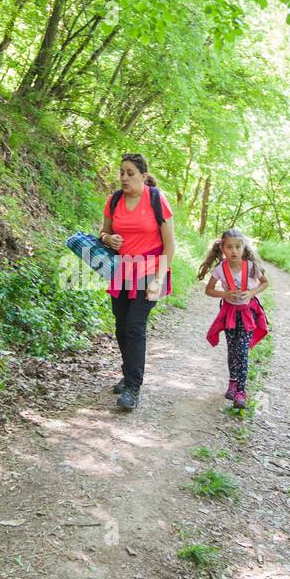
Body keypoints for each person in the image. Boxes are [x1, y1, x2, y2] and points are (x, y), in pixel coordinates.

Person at [98, 152, 175, 411]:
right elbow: (103, 232)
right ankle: (128, 374)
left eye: (130, 173)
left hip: (151, 270)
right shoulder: (114, 200)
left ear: (143, 177)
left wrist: (159, 279)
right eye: (121, 172)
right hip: (122, 271)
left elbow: (170, 244)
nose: (124, 177)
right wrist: (109, 240)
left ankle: (133, 387)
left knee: (134, 326)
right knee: (121, 327)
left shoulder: (156, 200)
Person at [199, 228, 270, 410]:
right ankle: (232, 382)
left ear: (244, 248)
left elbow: (265, 282)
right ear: (222, 248)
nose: (234, 251)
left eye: (238, 247)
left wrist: (252, 292)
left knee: (242, 350)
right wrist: (224, 294)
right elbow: (208, 290)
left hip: (248, 314)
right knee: (232, 349)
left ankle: (241, 391)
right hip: (230, 314)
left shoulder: (252, 267)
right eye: (229, 247)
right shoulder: (220, 269)